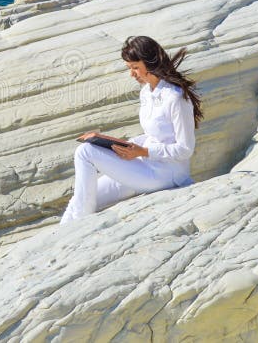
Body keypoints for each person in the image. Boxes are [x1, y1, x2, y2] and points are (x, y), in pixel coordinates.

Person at [60, 36, 203, 224]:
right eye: (129, 68)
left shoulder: (175, 98)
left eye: (135, 67)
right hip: (141, 166)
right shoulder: (147, 92)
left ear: (151, 63)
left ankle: (81, 225)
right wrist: (124, 145)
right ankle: (63, 236)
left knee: (85, 152)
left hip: (165, 174)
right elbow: (154, 135)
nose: (132, 74)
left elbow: (185, 149)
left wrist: (143, 151)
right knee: (80, 198)